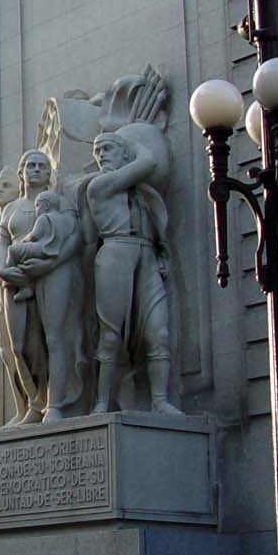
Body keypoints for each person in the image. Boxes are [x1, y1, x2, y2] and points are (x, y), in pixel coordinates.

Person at [80, 131, 179, 414]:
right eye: (97, 151)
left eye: (108, 148)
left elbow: (155, 225)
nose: (101, 155)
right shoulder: (98, 186)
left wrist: (162, 255)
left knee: (158, 331)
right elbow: (148, 161)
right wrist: (133, 136)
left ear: (124, 154)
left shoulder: (142, 191)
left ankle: (160, 401)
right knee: (110, 335)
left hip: (146, 254)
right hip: (115, 253)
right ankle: (101, 402)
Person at [0, 151, 85, 424]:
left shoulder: (60, 202)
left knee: (52, 339)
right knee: (19, 346)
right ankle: (35, 402)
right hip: (13, 277)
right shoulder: (10, 209)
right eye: (30, 165)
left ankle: (54, 403)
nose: (35, 170)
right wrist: (2, 269)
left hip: (49, 272)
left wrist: (47, 265)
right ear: (21, 172)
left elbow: (75, 236)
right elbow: (2, 243)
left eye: (41, 166)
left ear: (48, 173)